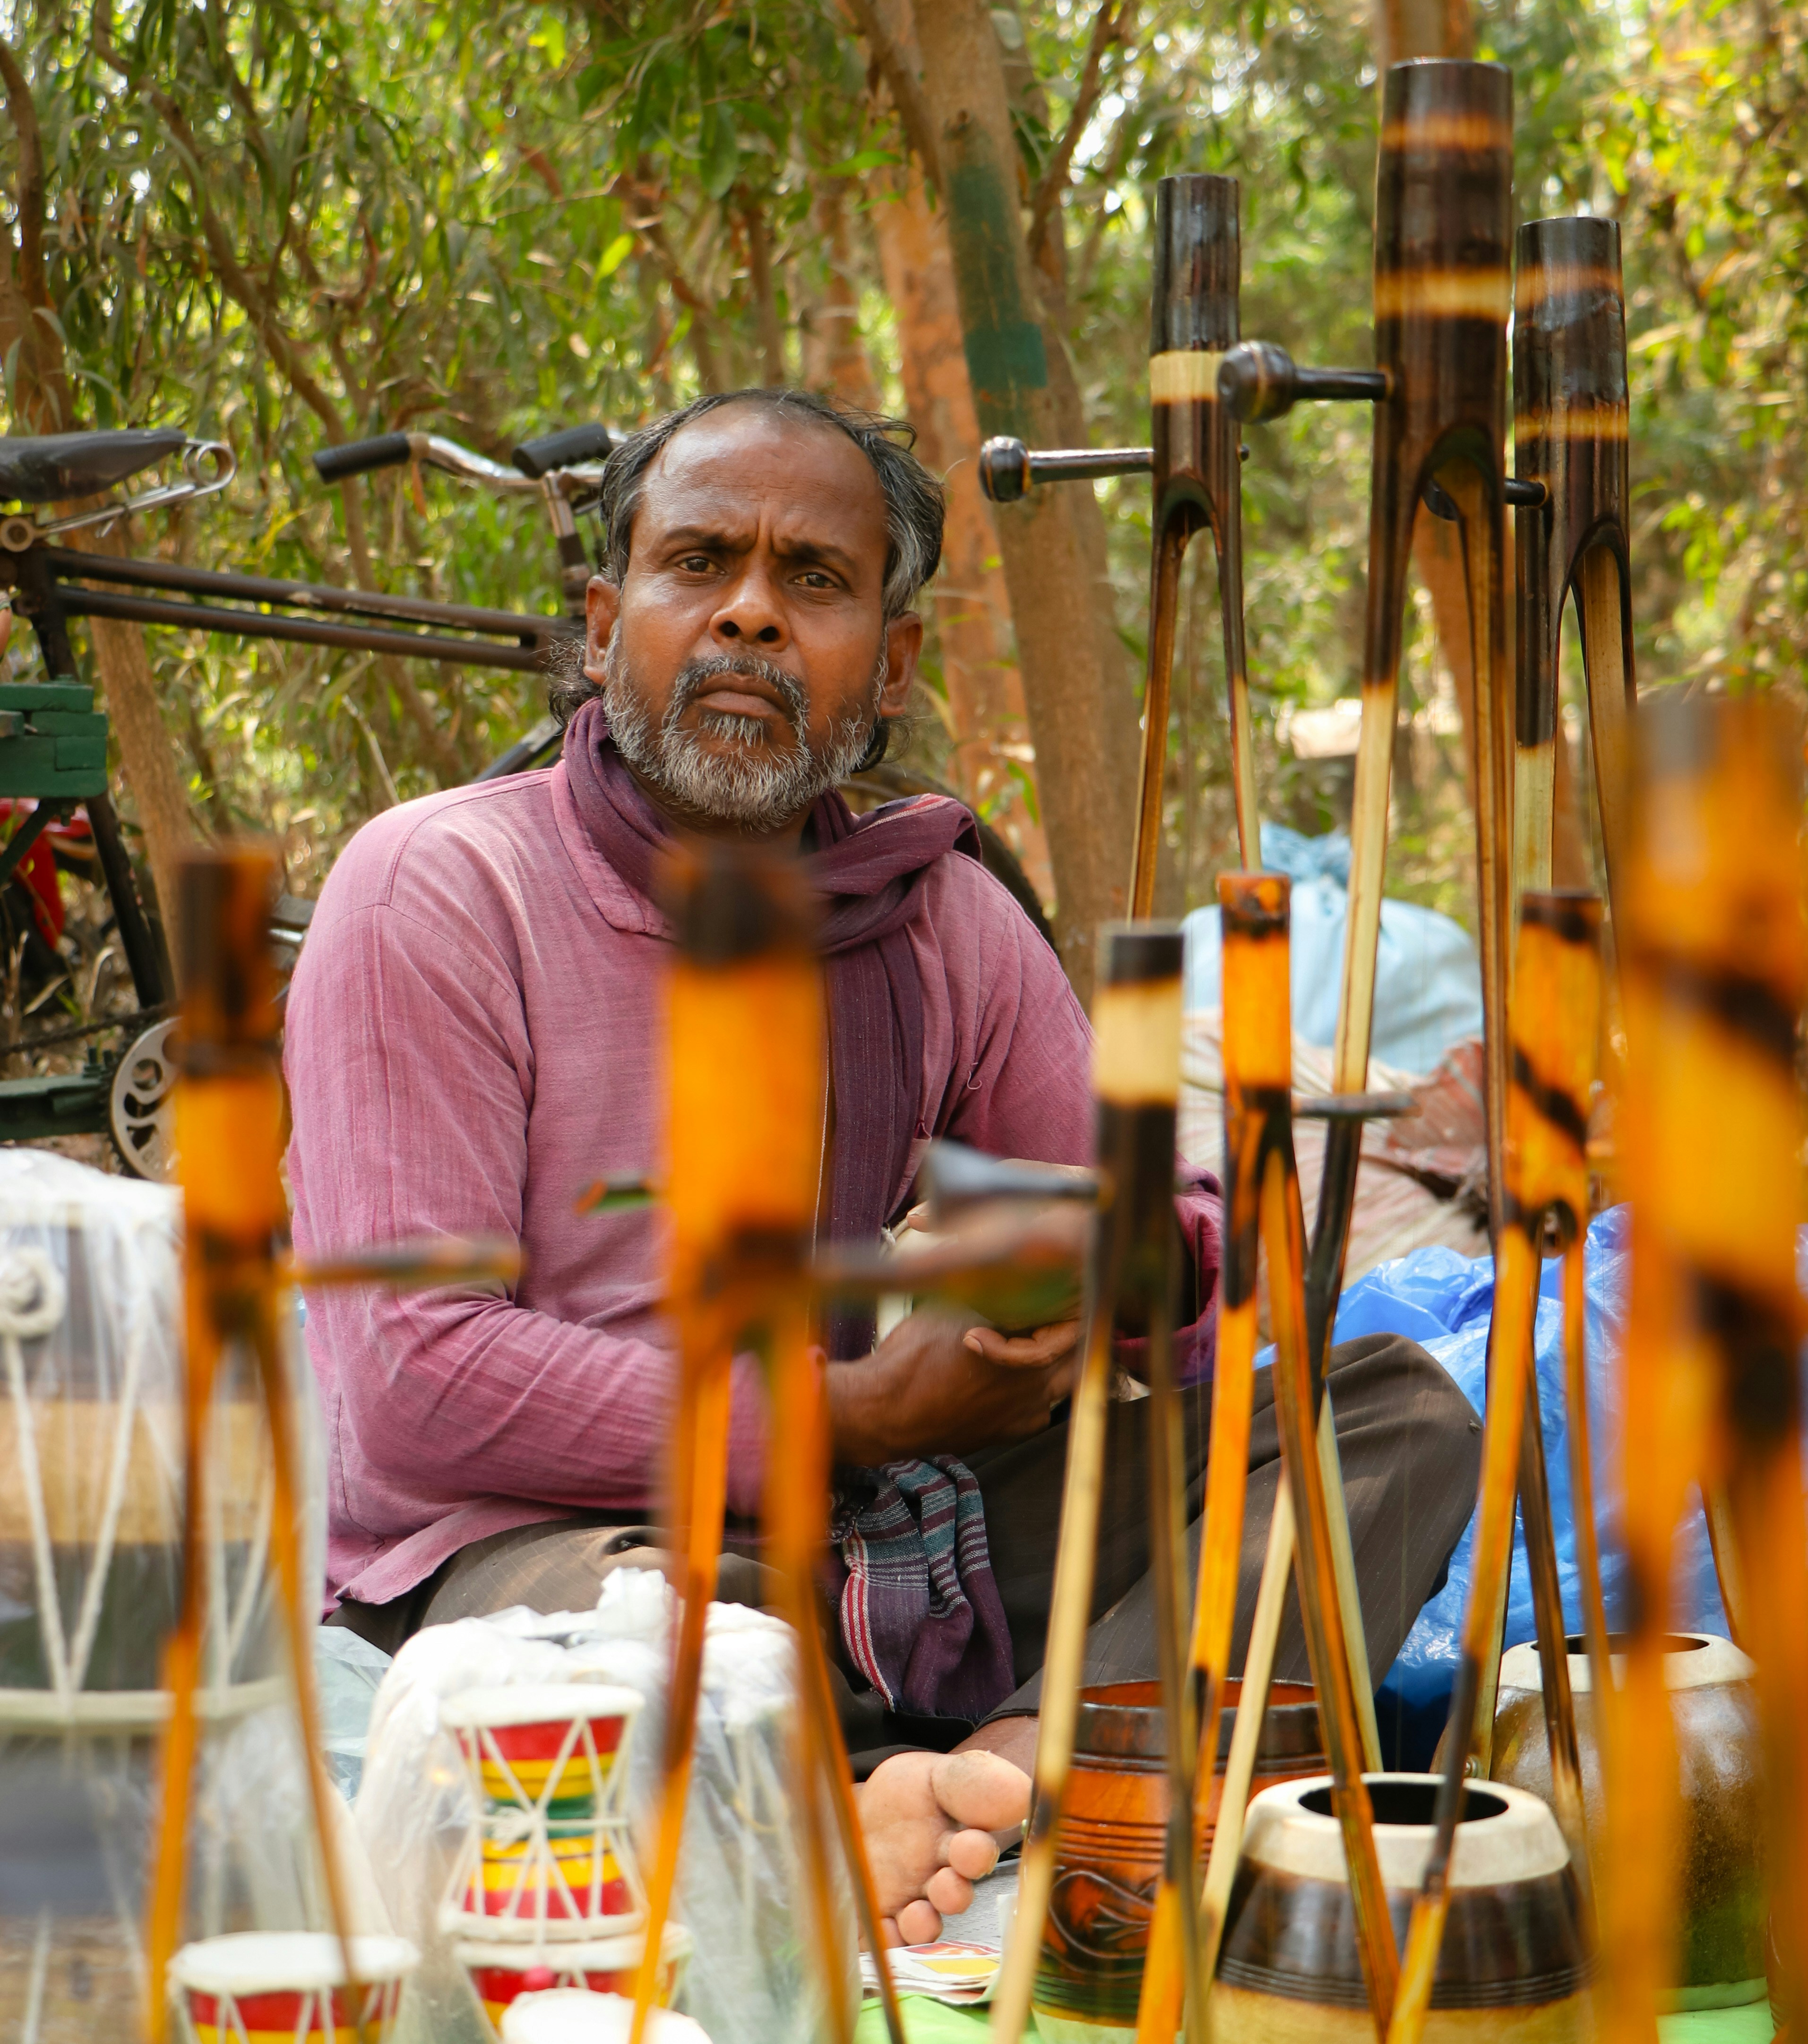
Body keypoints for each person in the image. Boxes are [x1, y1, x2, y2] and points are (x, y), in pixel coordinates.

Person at [285, 388, 1480, 1945]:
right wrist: (853, 1406)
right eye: (697, 564)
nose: (750, 620)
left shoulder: (933, 913)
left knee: (1383, 1412)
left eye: (816, 583)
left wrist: (1103, 1266)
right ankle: (903, 1783)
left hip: (877, 1527)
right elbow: (417, 1378)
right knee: (643, 1645)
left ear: (893, 667)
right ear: (601, 625)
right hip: (555, 1545)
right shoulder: (443, 887)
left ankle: (1007, 1762)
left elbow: (1184, 1269)